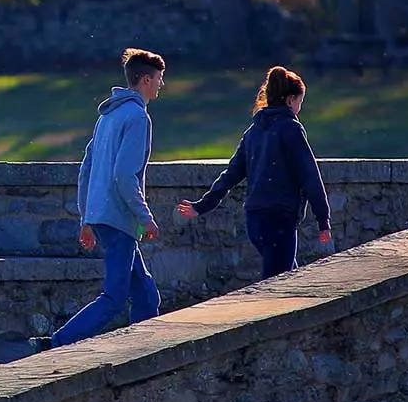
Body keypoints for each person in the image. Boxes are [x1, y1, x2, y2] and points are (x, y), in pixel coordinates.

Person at [34, 48, 167, 350]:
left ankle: (143, 351)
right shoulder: (137, 117)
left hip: (102, 216)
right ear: (145, 79)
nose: (161, 85)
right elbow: (123, 175)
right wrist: (145, 217)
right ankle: (56, 343)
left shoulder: (108, 116)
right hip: (119, 218)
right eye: (159, 79)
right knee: (114, 298)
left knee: (146, 295)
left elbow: (87, 170)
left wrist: (86, 218)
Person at [177, 65, 332, 279]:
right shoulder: (291, 128)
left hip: (254, 220)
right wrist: (323, 220)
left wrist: (201, 206)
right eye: (299, 102)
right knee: (277, 286)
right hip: (279, 218)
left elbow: (231, 174)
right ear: (290, 100)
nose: (299, 108)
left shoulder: (253, 132)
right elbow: (310, 176)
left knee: (290, 278)